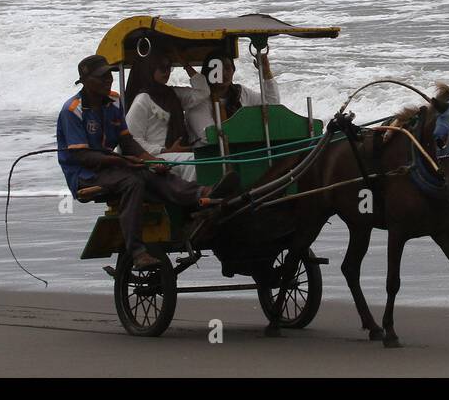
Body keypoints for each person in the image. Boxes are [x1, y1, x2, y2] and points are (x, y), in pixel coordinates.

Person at [56, 54, 236, 269]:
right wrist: (123, 161)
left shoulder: (114, 101)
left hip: (113, 165)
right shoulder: (72, 110)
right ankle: (137, 251)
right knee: (133, 181)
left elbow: (127, 140)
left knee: (152, 171)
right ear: (85, 81)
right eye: (101, 77)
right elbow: (82, 157)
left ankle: (201, 195)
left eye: (109, 76)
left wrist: (151, 161)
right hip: (85, 174)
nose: (108, 81)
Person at [124, 49, 207, 180]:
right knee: (193, 161)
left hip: (176, 155)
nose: (166, 72)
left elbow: (202, 92)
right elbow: (133, 141)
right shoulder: (142, 100)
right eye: (162, 68)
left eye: (169, 67)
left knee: (209, 158)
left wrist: (184, 64)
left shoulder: (173, 94)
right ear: (149, 69)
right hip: (154, 158)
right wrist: (164, 151)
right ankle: (198, 196)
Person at [182, 48, 281, 139]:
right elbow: (208, 137)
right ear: (208, 72)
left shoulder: (240, 92)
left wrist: (266, 73)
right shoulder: (197, 102)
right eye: (217, 69)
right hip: (210, 154)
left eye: (227, 68)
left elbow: (272, 105)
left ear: (233, 71)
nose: (223, 73)